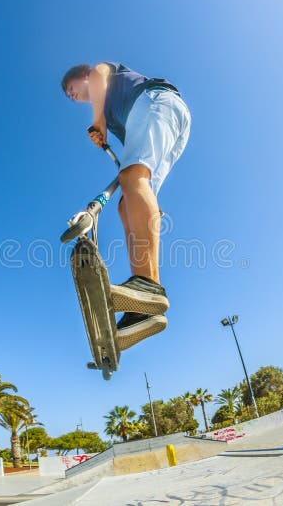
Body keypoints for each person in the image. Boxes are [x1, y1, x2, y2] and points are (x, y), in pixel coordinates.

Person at [61, 62, 191, 350]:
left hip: (156, 102)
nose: (72, 96)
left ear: (82, 76)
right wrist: (103, 124)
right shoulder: (113, 108)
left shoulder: (102, 74)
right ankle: (144, 305)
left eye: (71, 89)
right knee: (126, 202)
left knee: (131, 176)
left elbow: (99, 74)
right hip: (168, 117)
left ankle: (147, 283)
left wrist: (99, 121)